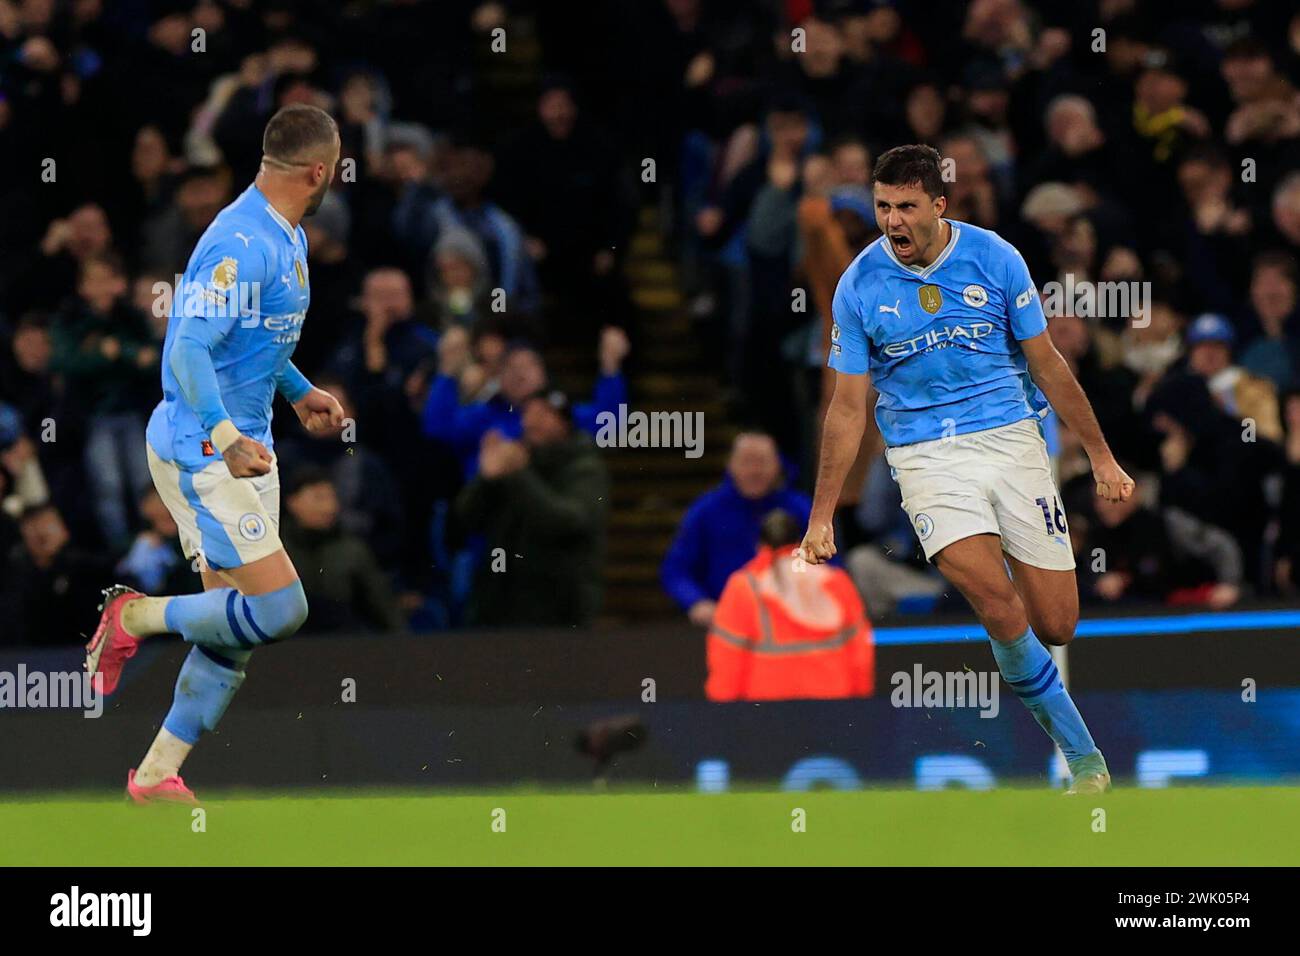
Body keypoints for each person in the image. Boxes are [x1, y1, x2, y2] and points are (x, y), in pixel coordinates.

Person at [799, 145, 1133, 795]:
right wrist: (820, 516)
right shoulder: (860, 286)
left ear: (938, 205)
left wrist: (1098, 455)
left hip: (1012, 438)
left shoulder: (997, 258)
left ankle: (1014, 556)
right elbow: (845, 409)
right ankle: (1085, 759)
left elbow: (1047, 365)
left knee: (1057, 622)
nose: (892, 220)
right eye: (882, 207)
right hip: (926, 458)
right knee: (997, 606)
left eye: (906, 207)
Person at [83, 105, 346, 805]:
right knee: (283, 607)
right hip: (205, 450)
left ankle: (155, 774)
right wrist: (225, 437)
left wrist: (297, 389)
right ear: (320, 171)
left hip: (245, 446)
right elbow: (188, 345)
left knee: (236, 627)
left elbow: (251, 341)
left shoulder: (284, 234)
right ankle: (131, 617)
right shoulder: (240, 242)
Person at [454, 390, 609, 627]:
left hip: (562, 609)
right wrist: (485, 479)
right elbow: (465, 519)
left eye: (544, 414)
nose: (533, 422)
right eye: (529, 413)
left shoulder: (585, 468)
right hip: (500, 605)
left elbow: (568, 521)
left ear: (564, 423)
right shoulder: (513, 460)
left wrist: (519, 475)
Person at [706, 510, 874, 701]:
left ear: (760, 544)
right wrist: (861, 701)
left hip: (768, 712)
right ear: (799, 539)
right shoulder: (836, 582)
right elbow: (860, 652)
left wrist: (721, 709)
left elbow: (728, 656)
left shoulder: (744, 587)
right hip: (832, 706)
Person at [662, 432, 811, 627]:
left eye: (762, 462)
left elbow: (830, 565)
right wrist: (696, 601)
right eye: (747, 462)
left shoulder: (801, 509)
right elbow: (676, 570)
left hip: (791, 619)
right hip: (724, 620)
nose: (754, 471)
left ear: (778, 464)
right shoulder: (706, 511)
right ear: (730, 465)